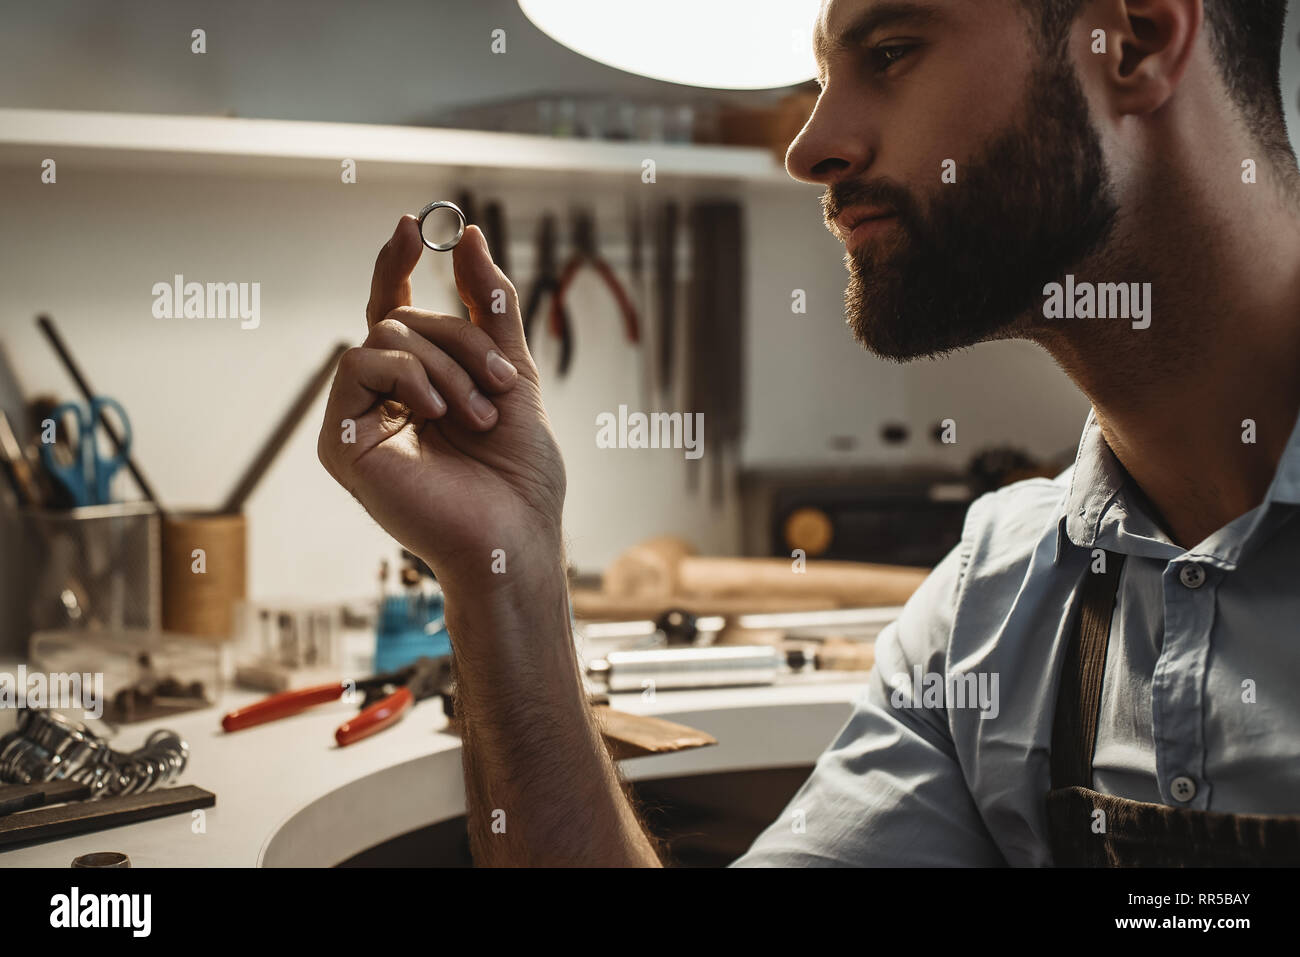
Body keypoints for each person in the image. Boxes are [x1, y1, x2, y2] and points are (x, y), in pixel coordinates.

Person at [318, 0, 1300, 866]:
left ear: (1132, 39)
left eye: (890, 51)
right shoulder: (988, 614)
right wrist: (506, 570)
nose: (807, 147)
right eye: (821, 74)